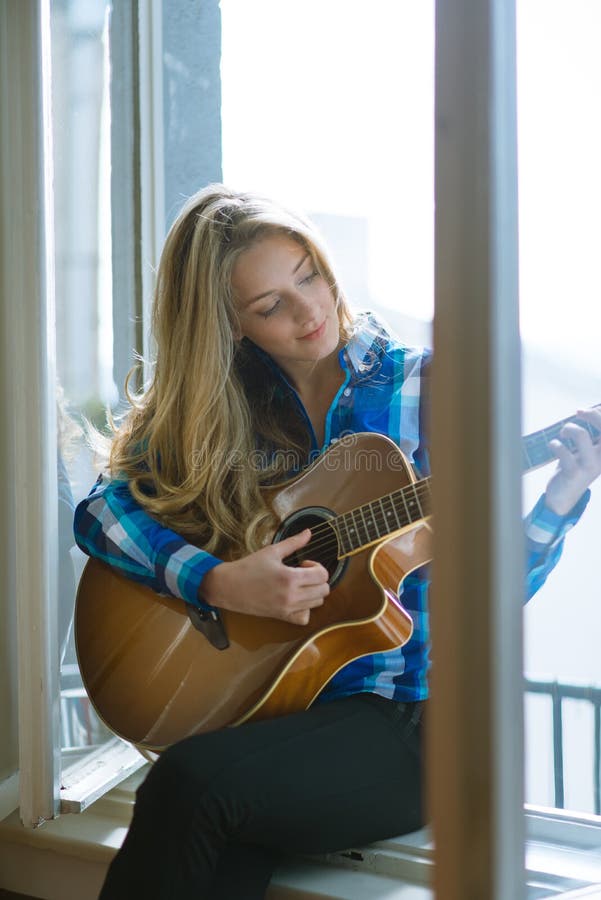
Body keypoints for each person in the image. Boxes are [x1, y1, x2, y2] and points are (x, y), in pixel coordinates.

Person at [73, 184, 601, 900]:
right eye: (270, 306)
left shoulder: (426, 387)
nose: (309, 311)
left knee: (189, 786)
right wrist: (216, 581)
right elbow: (104, 512)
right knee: (214, 849)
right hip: (273, 712)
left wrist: (559, 500)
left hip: (407, 725)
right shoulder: (224, 410)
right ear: (228, 326)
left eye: (309, 275)